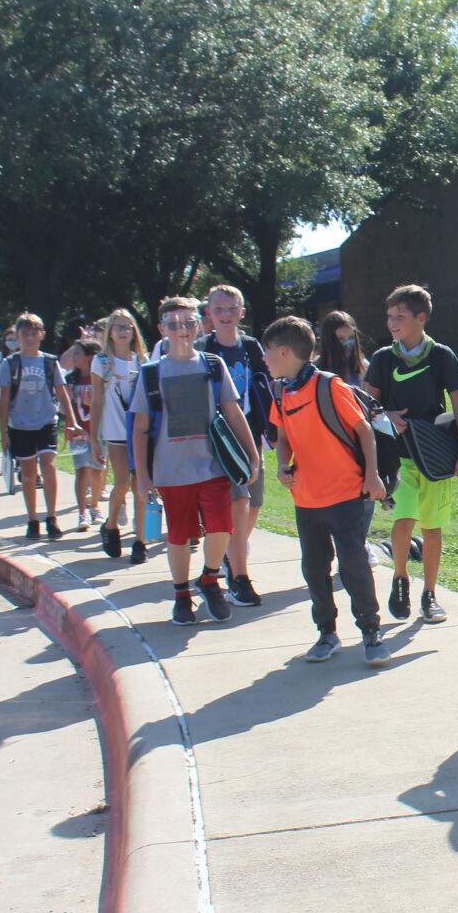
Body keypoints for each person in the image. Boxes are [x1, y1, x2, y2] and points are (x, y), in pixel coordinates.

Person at [263, 316, 389, 665]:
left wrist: (372, 476)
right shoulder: (281, 391)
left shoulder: (329, 385)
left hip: (345, 494)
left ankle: (371, 632)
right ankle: (327, 633)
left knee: (353, 564)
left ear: (284, 352)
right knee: (315, 568)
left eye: (267, 350)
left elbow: (364, 430)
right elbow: (283, 437)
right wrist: (283, 465)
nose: (264, 358)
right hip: (306, 498)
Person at [131, 296, 261, 627]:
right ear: (162, 329)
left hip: (212, 465)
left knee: (222, 527)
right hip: (171, 472)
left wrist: (252, 454)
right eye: (174, 324)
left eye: (189, 323)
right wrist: (143, 477)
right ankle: (181, 595)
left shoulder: (212, 365)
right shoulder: (150, 374)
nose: (182, 330)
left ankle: (209, 579)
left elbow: (233, 411)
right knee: (179, 535)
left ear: (199, 325)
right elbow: (140, 429)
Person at [363, 284, 458, 624]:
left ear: (421, 318)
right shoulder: (383, 358)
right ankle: (400, 580)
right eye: (389, 316)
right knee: (403, 520)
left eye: (400, 316)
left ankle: (430, 594)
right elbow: (364, 405)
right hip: (398, 457)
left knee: (432, 529)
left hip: (435, 457)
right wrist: (386, 415)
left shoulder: (442, 355)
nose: (392, 322)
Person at [196, 285, 271, 607]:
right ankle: (240, 577)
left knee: (254, 503)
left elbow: (266, 385)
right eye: (219, 309)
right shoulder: (203, 349)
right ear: (209, 314)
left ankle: (227, 554)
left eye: (231, 309)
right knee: (238, 502)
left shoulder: (251, 347)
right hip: (219, 439)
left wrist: (274, 428)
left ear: (241, 312)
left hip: (250, 434)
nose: (225, 315)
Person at [0, 313, 81, 540]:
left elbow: (62, 393)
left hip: (46, 421)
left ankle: (51, 517)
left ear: (41, 335)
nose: (29, 338)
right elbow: (3, 399)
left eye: (33, 333)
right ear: (17, 336)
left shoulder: (50, 362)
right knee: (28, 473)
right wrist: (3, 432)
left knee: (49, 466)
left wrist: (72, 421)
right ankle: (32, 519)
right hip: (20, 424)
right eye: (25, 334)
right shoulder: (10, 364)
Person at [315, 311, 382, 564]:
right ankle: (349, 546)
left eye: (350, 338)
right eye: (340, 340)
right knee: (339, 502)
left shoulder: (363, 367)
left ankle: (358, 544)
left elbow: (374, 403)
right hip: (331, 445)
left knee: (366, 497)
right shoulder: (318, 371)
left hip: (362, 442)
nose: (347, 345)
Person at [90, 308, 150, 563]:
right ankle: (111, 524)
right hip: (114, 430)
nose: (124, 331)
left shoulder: (142, 360)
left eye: (127, 327)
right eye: (118, 327)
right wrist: (94, 438)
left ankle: (140, 540)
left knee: (141, 485)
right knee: (123, 482)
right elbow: (96, 401)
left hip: (139, 430)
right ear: (110, 333)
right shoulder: (102, 362)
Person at [62, 335, 105, 531]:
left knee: (97, 471)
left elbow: (105, 404)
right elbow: (64, 407)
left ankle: (94, 505)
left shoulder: (100, 378)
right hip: (78, 432)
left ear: (89, 357)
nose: (73, 357)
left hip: (98, 431)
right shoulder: (71, 379)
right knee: (81, 470)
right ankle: (82, 513)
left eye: (77, 353)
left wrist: (91, 403)